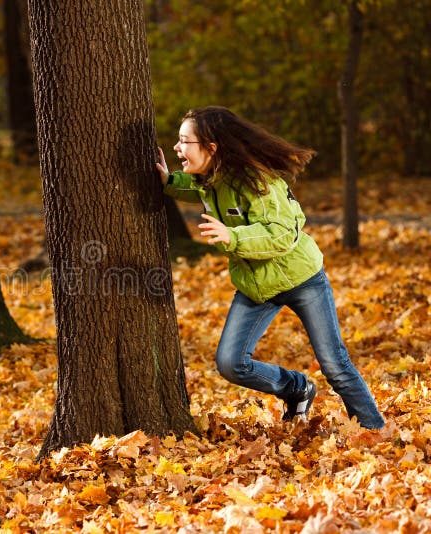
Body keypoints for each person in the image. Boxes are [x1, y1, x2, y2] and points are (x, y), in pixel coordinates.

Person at [155, 106, 384, 429]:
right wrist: (168, 182)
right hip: (256, 285)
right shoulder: (210, 179)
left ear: (211, 147)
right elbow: (195, 189)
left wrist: (232, 235)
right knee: (231, 364)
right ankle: (298, 389)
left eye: (184, 142)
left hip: (302, 279)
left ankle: (373, 430)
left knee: (335, 364)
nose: (177, 148)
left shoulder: (258, 180)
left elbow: (281, 233)